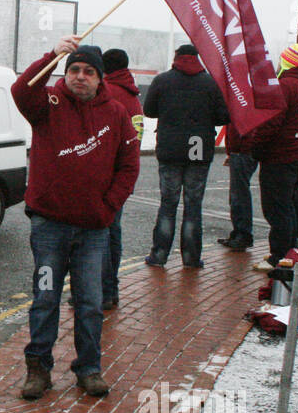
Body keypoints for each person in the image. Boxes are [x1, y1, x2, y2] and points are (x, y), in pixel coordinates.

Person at [11, 36, 140, 400]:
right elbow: (21, 90)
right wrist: (52, 55)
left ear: (101, 79)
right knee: (46, 298)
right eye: (74, 70)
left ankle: (89, 368)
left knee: (89, 303)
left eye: (88, 72)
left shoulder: (115, 114)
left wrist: (107, 208)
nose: (79, 77)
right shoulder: (47, 103)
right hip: (49, 226)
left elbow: (129, 166)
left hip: (93, 230)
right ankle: (38, 370)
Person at [141, 44, 228, 268]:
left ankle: (159, 256)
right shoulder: (209, 83)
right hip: (198, 147)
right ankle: (191, 258)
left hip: (170, 148)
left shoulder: (163, 80)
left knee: (168, 205)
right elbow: (222, 116)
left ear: (176, 58)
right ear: (197, 58)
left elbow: (149, 110)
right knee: (193, 206)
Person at [242, 41, 298, 272]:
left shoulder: (285, 86)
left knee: (276, 208)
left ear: (286, 62)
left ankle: (279, 257)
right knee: (288, 207)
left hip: (279, 157)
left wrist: (256, 149)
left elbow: (271, 123)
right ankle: (288, 251)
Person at [99, 48, 143, 306]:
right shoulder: (131, 93)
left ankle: (103, 290)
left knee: (100, 235)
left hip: (107, 177)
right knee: (113, 233)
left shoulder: (109, 93)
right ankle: (110, 289)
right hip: (123, 176)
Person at [218, 126, 258, 250]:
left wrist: (235, 150)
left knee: (239, 195)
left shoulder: (241, 108)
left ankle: (243, 234)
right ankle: (239, 232)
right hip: (240, 151)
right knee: (238, 194)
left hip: (242, 151)